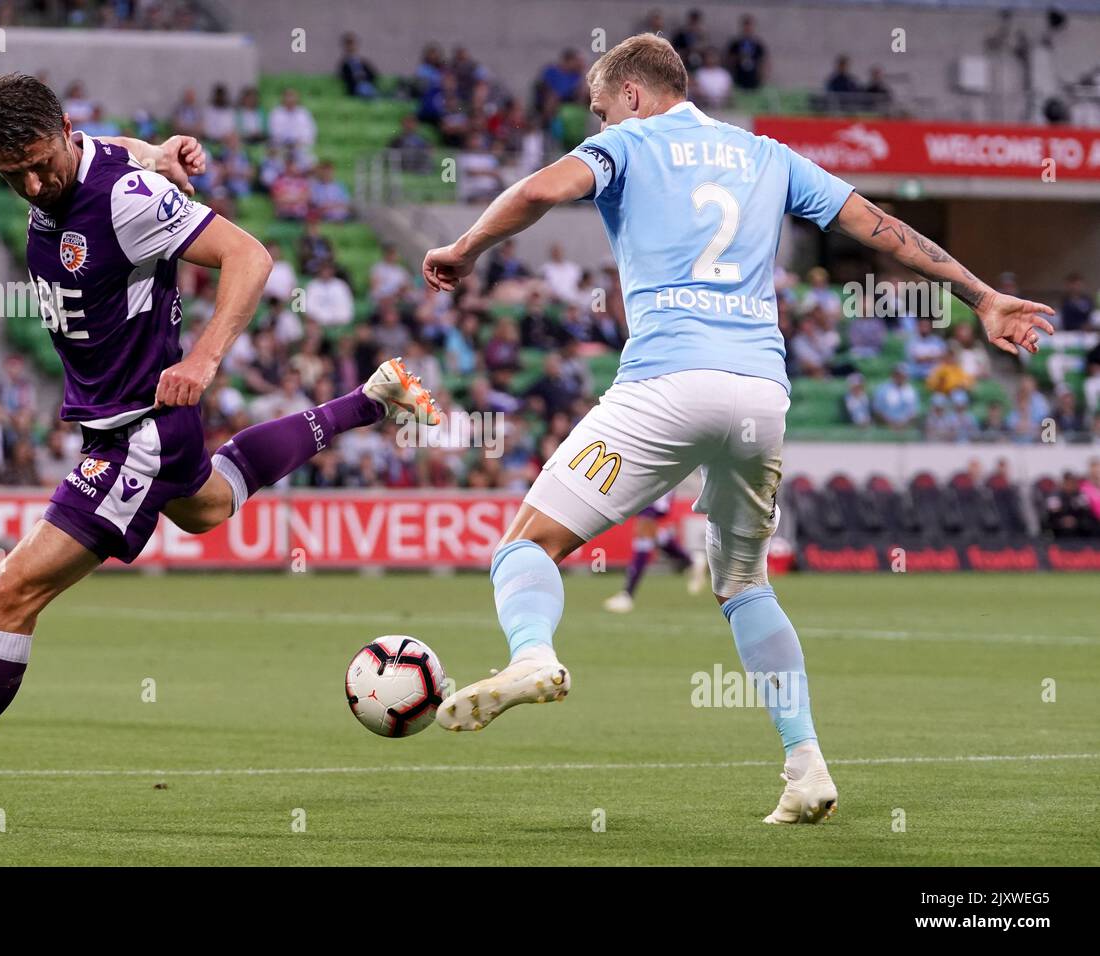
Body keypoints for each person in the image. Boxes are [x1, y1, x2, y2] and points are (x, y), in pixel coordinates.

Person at [422, 33, 1052, 824]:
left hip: (666, 384)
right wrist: (983, 296)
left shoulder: (629, 141)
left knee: (527, 544)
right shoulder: (769, 155)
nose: (599, 120)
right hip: (761, 393)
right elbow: (881, 227)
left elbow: (542, 191)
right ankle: (806, 765)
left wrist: (466, 246)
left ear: (635, 95)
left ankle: (534, 656)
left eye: (600, 107)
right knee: (746, 583)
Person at [0, 73, 442, 827]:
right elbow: (111, 151)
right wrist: (161, 150)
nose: (30, 181)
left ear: (61, 132)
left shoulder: (125, 200)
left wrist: (206, 357)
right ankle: (370, 398)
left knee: (11, 592)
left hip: (138, 427)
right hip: (126, 419)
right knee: (208, 505)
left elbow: (248, 256)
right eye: (8, 171)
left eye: (39, 161)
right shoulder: (94, 158)